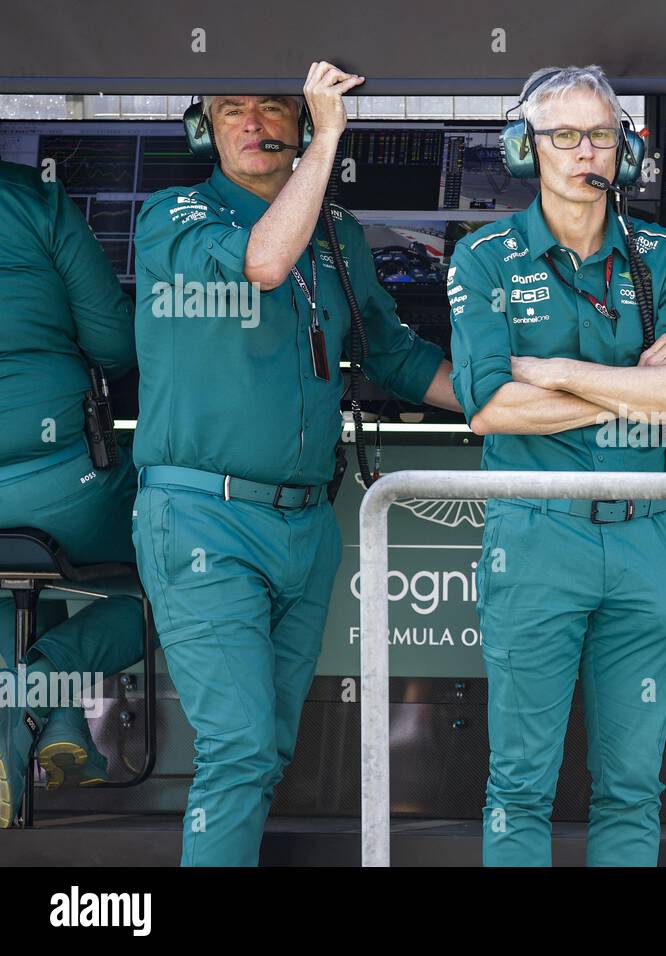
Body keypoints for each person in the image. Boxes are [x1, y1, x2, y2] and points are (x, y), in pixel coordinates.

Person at [131, 62, 460, 865]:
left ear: (294, 120)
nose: (251, 123)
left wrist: (533, 396)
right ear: (201, 127)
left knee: (267, 752)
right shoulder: (174, 212)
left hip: (307, 525)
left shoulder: (339, 232)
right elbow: (262, 262)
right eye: (230, 109)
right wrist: (327, 139)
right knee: (239, 752)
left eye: (271, 107)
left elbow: (396, 355)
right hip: (203, 516)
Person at [451, 65, 666, 866]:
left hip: (651, 537)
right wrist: (636, 385)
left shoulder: (665, 255)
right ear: (524, 149)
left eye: (599, 134)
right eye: (561, 136)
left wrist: (555, 370)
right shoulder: (485, 256)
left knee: (634, 788)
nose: (582, 152)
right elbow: (491, 407)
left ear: (625, 148)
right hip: (536, 534)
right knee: (520, 785)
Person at [0, 160, 145, 826]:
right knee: (188, 571)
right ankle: (42, 698)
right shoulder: (34, 200)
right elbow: (114, 341)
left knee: (13, 578)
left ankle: (43, 730)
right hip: (64, 481)